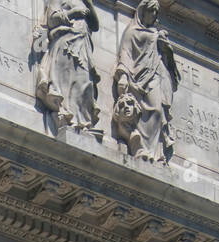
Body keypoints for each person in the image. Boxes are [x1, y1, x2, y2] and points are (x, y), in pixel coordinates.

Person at [112, 0, 180, 163]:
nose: (154, 15)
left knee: (156, 111)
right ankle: (139, 148)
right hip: (136, 77)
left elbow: (168, 62)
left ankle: (153, 152)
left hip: (154, 77)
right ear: (143, 12)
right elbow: (126, 53)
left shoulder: (158, 34)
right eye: (151, 11)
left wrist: (165, 48)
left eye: (156, 12)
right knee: (140, 113)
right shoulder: (131, 31)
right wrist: (123, 76)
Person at [32, 0, 102, 133]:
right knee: (67, 82)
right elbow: (52, 19)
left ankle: (83, 123)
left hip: (83, 48)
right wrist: (73, 12)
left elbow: (95, 25)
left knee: (85, 83)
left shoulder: (84, 3)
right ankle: (67, 117)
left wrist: (90, 5)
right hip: (66, 45)